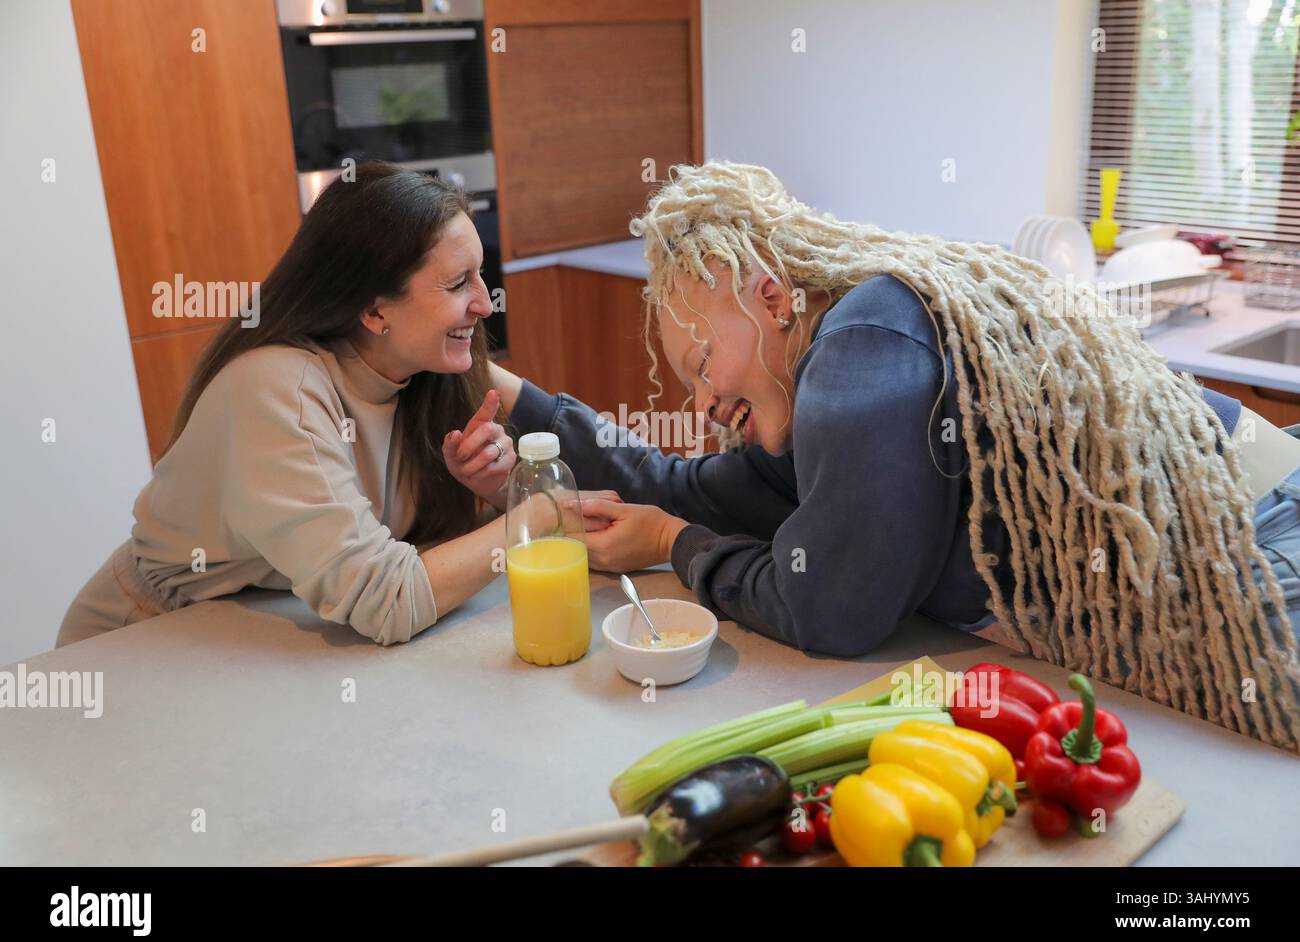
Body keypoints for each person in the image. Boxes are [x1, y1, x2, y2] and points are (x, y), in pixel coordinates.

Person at [487, 160, 1300, 751]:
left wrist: (674, 546)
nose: (700, 404)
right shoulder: (807, 398)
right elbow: (679, 483)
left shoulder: (860, 353)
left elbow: (833, 612)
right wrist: (503, 389)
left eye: (702, 366)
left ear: (771, 296)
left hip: (1259, 537)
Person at [58, 162, 553, 646]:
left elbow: (418, 559)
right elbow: (386, 601)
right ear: (374, 308)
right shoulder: (276, 390)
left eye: (480, 275)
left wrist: (494, 494)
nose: (486, 304)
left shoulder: (420, 375)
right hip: (144, 642)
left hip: (253, 629)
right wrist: (538, 516)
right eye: (457, 282)